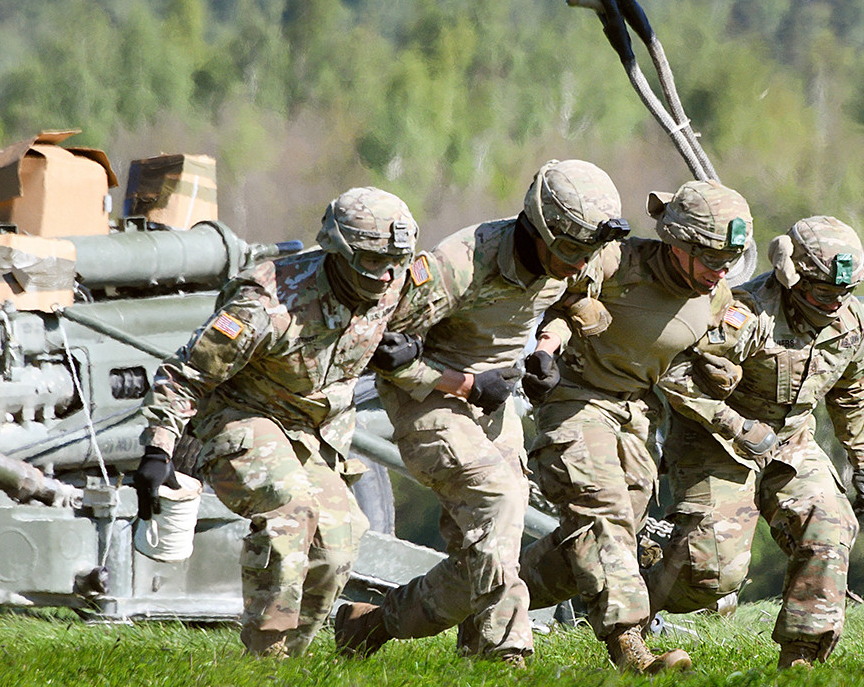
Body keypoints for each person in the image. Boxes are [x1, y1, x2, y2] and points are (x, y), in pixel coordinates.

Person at [334, 160, 631, 668]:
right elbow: (381, 348)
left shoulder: (581, 256)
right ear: (539, 228)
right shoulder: (460, 263)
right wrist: (466, 384)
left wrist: (546, 349)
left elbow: (577, 302)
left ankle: (373, 625)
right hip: (427, 397)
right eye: (568, 252)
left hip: (494, 398)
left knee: (490, 550)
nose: (579, 263)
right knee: (500, 501)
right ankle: (505, 655)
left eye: (588, 253)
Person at [133, 186, 419, 657]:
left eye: (395, 260)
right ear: (339, 251)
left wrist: (415, 352)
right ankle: (264, 661)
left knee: (340, 539)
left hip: (313, 432)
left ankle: (290, 659)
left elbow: (444, 308)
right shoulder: (266, 302)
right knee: (290, 513)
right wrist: (158, 448)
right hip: (241, 416)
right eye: (373, 261)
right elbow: (187, 374)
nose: (386, 273)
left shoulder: (396, 284)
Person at [516, 179, 756, 675]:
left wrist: (719, 370)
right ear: (678, 243)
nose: (720, 270)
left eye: (729, 260)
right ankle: (631, 650)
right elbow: (558, 293)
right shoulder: (616, 261)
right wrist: (545, 348)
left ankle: (482, 597)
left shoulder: (715, 295)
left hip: (637, 417)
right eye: (711, 258)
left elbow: (695, 350)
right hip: (577, 402)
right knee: (603, 517)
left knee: (602, 541)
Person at [643, 215, 864, 669]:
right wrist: (736, 425)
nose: (835, 304)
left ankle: (802, 657)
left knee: (829, 525)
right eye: (823, 293)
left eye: (845, 292)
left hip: (790, 442)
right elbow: (675, 372)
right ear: (793, 279)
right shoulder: (747, 313)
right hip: (716, 441)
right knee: (712, 573)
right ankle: (627, 598)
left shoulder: (851, 324)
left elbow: (853, 394)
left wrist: (863, 460)